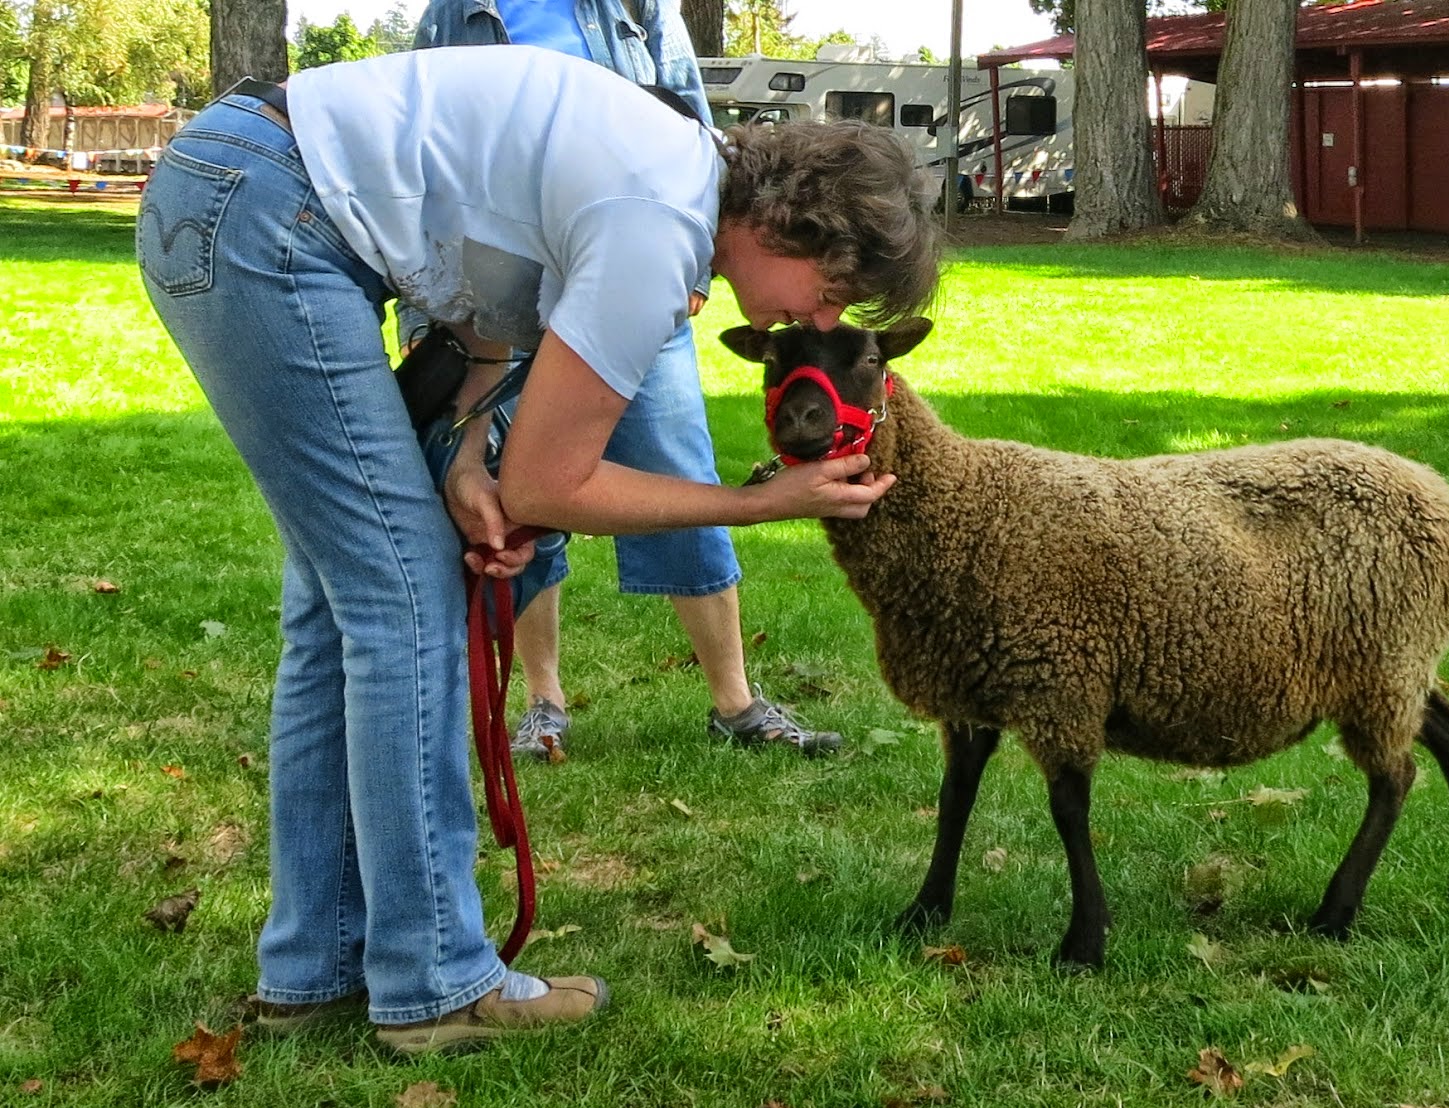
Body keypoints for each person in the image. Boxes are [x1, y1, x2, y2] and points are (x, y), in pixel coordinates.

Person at [135, 46, 940, 1053]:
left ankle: (312, 971)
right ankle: (432, 985)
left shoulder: (661, 173)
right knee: (403, 602)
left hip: (236, 182)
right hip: (269, 211)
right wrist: (763, 503)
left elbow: (484, 312)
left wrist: (468, 452)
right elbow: (552, 486)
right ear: (787, 224)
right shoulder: (658, 223)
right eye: (831, 289)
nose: (818, 320)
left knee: (336, 608)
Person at [408, 0, 841, 761]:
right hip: (513, 286)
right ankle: (542, 700)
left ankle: (734, 702)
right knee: (517, 488)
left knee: (675, 466)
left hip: (640, 271)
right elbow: (436, 165)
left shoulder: (637, 9)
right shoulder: (457, 12)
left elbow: (704, 136)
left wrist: (696, 267)